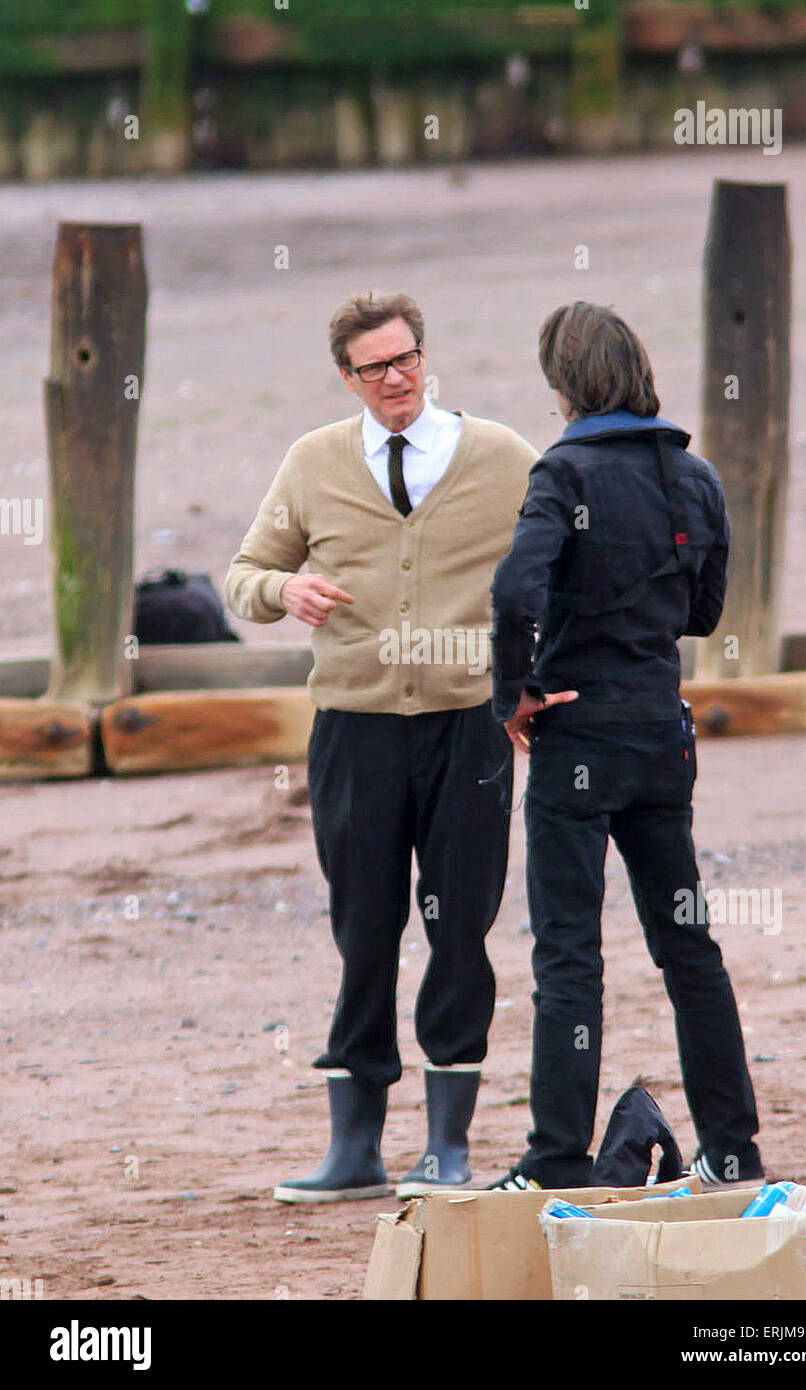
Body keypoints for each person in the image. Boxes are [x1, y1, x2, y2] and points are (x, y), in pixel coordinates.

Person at [224, 293, 544, 1202]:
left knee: (459, 930)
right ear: (348, 377)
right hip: (353, 731)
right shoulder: (313, 461)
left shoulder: (501, 457)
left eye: (408, 359)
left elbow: (562, 568)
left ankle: (447, 1146)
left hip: (465, 726)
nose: (397, 378)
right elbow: (244, 578)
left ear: (424, 357)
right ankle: (354, 1149)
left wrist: (533, 680)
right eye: (376, 367)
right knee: (364, 927)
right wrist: (287, 591)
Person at [488, 300, 763, 1192]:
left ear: (565, 384)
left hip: (577, 738)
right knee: (690, 947)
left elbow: (515, 591)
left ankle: (557, 1158)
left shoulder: (560, 474)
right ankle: (733, 1150)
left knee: (569, 954)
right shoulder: (697, 475)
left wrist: (513, 692)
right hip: (660, 736)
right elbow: (705, 614)